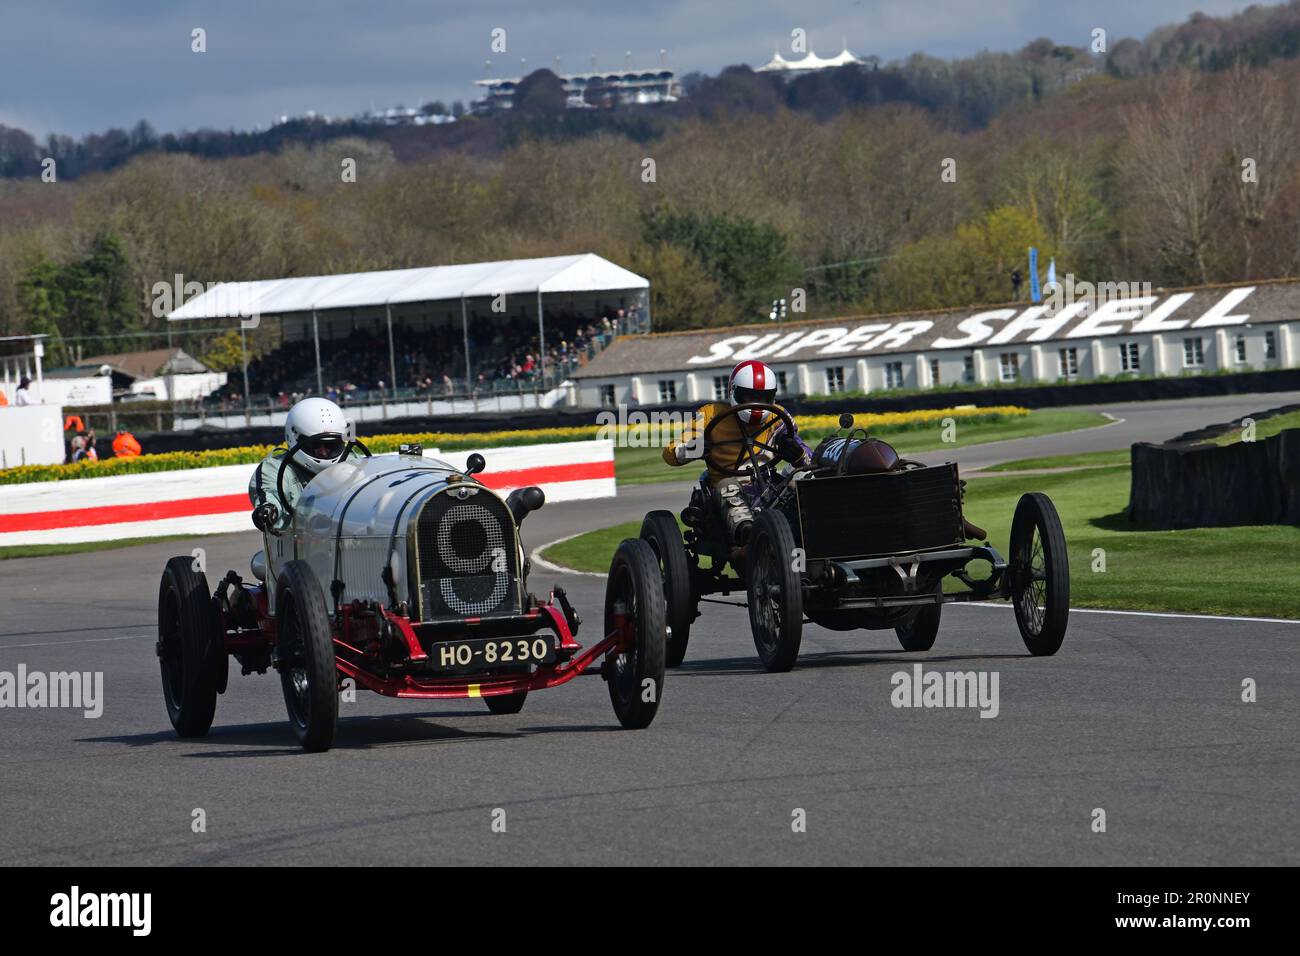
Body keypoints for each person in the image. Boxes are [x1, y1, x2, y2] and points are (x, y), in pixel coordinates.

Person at [662, 360, 810, 543]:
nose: (756, 403)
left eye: (762, 397)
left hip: (770, 483)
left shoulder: (778, 416)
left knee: (804, 480)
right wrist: (694, 448)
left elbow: (807, 459)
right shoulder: (710, 414)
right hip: (726, 484)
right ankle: (746, 537)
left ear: (772, 396)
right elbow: (670, 454)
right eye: (748, 396)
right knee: (728, 487)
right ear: (734, 391)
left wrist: (797, 454)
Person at [248, 397, 357, 534]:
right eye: (315, 445)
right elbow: (270, 494)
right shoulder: (275, 468)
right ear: (294, 438)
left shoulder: (352, 461)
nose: (323, 452)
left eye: (331, 445)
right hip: (299, 548)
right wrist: (270, 509)